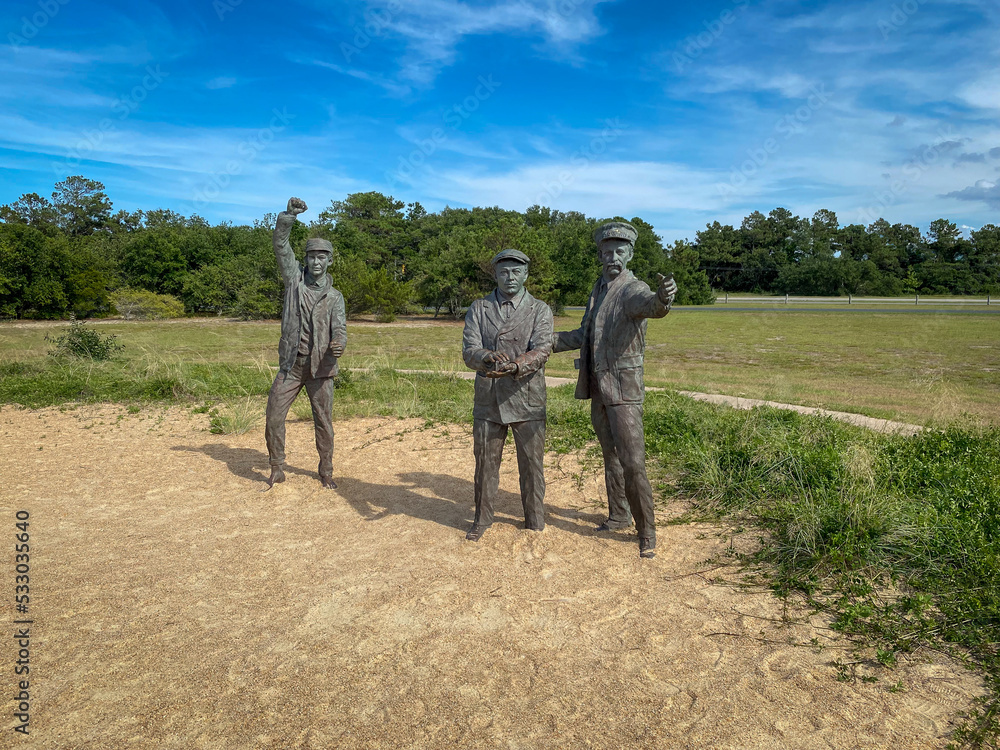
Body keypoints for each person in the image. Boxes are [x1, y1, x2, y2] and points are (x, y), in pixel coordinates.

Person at [552, 221, 677, 559]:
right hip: (599, 388)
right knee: (611, 455)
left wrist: (663, 299)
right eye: (607, 252)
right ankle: (619, 514)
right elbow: (583, 335)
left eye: (619, 251)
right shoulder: (598, 289)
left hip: (624, 389)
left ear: (630, 253)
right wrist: (546, 343)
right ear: (600, 255)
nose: (612, 257)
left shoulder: (632, 288)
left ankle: (646, 530)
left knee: (633, 461)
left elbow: (651, 305)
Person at [462, 249, 554, 541]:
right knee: (485, 463)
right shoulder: (479, 308)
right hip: (489, 397)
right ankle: (482, 517)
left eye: (516, 272)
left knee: (532, 464)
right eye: (504, 272)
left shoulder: (540, 309)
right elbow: (468, 350)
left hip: (526, 395)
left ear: (526, 274)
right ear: (496, 275)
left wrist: (516, 366)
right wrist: (486, 356)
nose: (510, 277)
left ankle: (534, 518)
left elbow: (542, 349)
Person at [265, 197, 347, 490]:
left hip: (322, 368)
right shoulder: (293, 282)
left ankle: (326, 471)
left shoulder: (335, 297)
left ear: (329, 261)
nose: (316, 261)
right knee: (274, 415)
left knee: (324, 423)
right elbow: (280, 246)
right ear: (306, 260)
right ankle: (277, 466)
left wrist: (338, 343)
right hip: (292, 366)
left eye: (322, 257)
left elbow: (341, 329)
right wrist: (288, 216)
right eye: (312, 256)